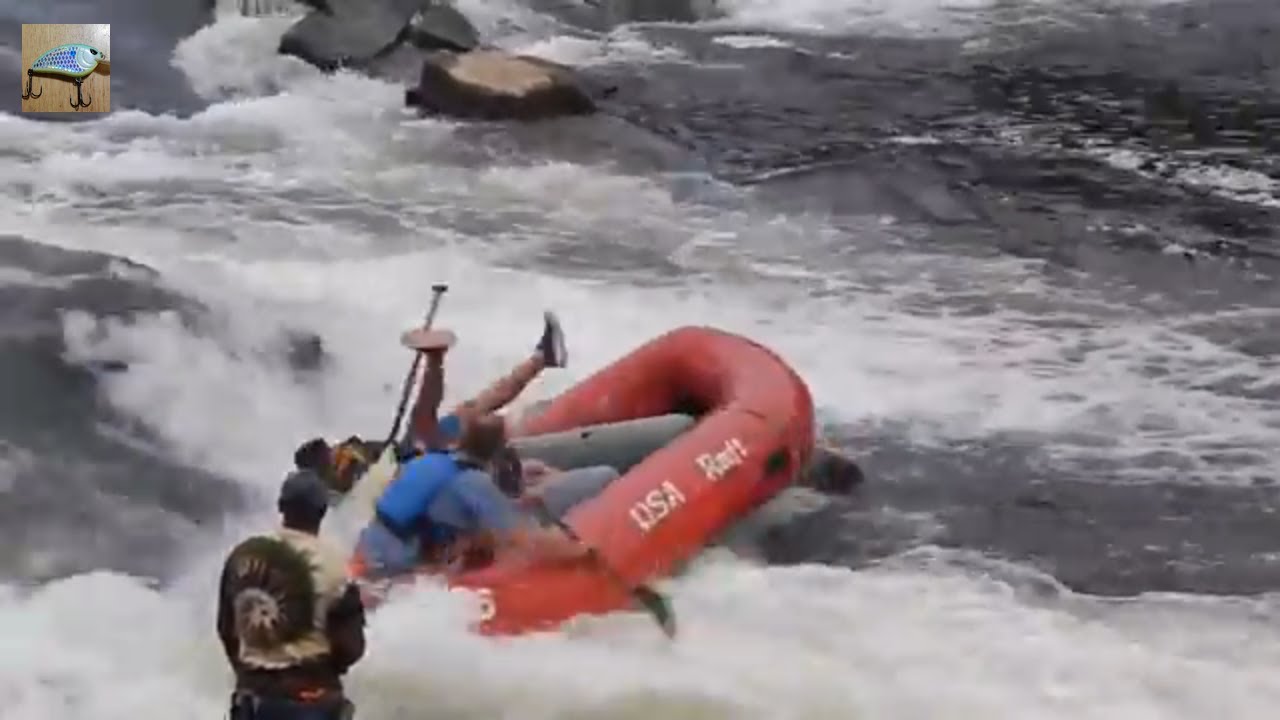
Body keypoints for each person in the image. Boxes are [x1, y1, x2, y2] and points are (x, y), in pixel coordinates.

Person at [350, 414, 591, 580]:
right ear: (498, 451)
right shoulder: (473, 483)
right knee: (485, 543)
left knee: (468, 535)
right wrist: (585, 551)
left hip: (366, 549)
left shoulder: (429, 460)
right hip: (396, 567)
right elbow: (524, 539)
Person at [217, 469, 366, 720]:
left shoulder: (242, 556)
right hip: (309, 700)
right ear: (322, 511)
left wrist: (251, 674)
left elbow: (226, 628)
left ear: (281, 506)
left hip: (251, 700)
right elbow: (351, 648)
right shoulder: (334, 566)